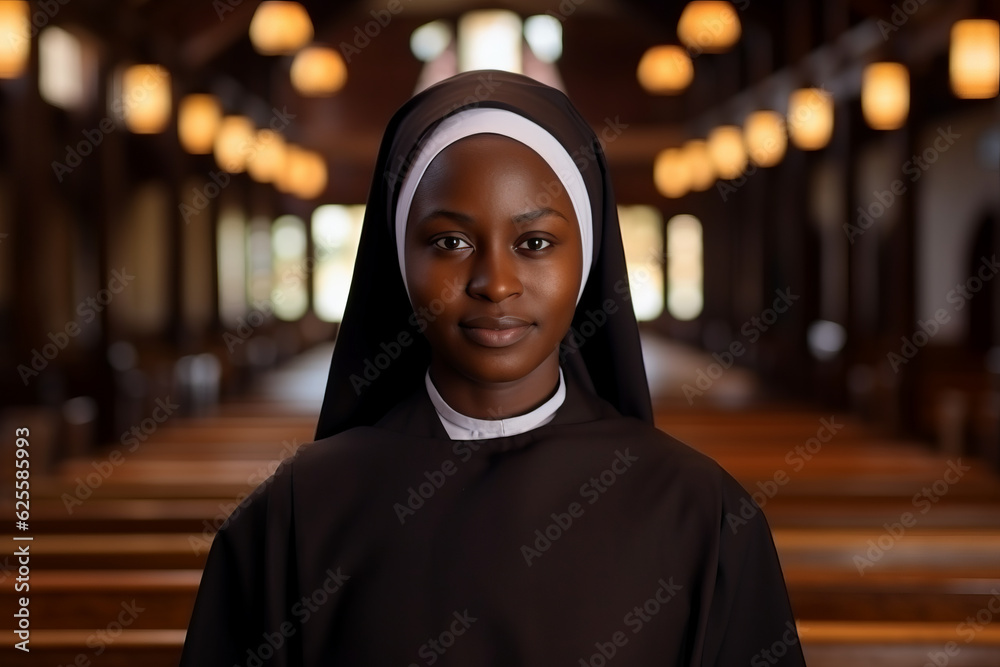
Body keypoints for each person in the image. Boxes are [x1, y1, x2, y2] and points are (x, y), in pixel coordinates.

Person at [180, 70, 806, 666]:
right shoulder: (294, 514)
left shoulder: (701, 511)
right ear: (400, 261)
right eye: (450, 242)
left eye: (534, 243)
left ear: (585, 263)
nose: (496, 283)